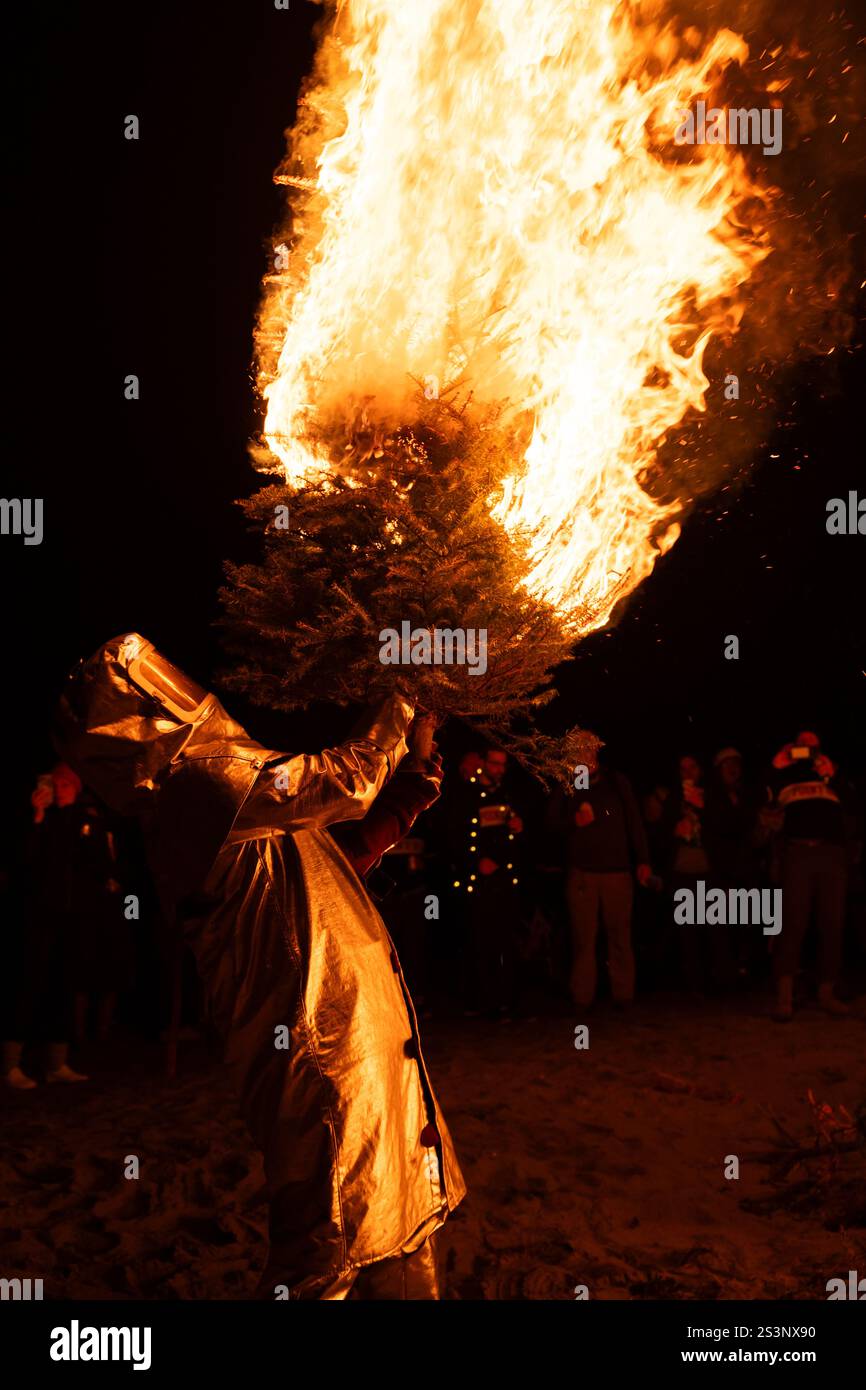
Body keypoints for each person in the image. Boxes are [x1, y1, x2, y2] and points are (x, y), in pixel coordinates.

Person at [53, 633, 465, 1298]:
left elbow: (334, 863)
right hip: (317, 1048)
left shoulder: (226, 791)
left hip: (366, 1034)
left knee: (405, 1217)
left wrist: (409, 794)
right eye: (157, 678)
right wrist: (404, 686)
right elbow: (348, 778)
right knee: (324, 1245)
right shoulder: (195, 790)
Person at [2, 764, 95, 1089]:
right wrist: (38, 817)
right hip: (35, 917)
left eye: (68, 782)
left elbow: (91, 864)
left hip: (69, 919)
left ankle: (56, 1063)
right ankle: (10, 1065)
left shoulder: (84, 820)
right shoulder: (38, 819)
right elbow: (24, 861)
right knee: (25, 986)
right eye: (57, 782)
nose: (61, 787)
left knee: (63, 988)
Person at [547, 735, 651, 1009]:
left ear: (597, 749)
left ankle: (624, 996)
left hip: (617, 872)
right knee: (584, 939)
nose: (585, 751)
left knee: (620, 936)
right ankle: (582, 998)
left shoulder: (616, 782)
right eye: (579, 747)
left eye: (589, 746)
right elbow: (552, 824)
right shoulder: (570, 782)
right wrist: (574, 821)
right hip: (583, 873)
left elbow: (634, 821)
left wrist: (643, 859)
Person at [769, 730, 851, 1022]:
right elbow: (768, 785)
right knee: (793, 922)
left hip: (831, 854)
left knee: (832, 922)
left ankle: (827, 993)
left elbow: (851, 802)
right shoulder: (784, 777)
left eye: (812, 745)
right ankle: (784, 996)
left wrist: (831, 772)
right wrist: (785, 759)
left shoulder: (832, 778)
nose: (807, 750)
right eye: (801, 745)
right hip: (797, 853)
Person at [445, 746, 525, 1019]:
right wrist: (476, 862)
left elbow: (519, 835)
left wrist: (519, 828)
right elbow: (455, 836)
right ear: (483, 763)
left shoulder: (509, 795)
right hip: (477, 882)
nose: (499, 769)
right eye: (494, 763)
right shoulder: (466, 796)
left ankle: (506, 1000)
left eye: (503, 764)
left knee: (505, 940)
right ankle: (480, 1000)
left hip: (504, 881)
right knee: (478, 940)